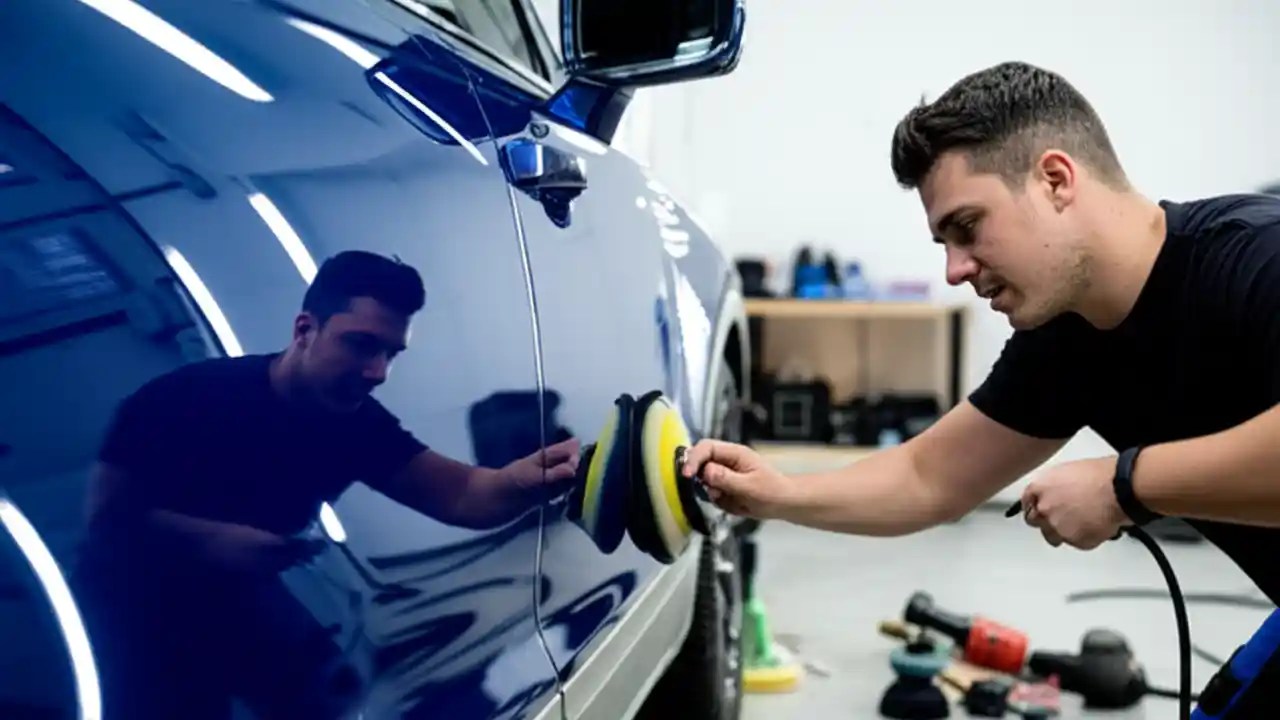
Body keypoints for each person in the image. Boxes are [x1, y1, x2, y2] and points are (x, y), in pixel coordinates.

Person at [682, 61, 1280, 605]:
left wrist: (1126, 485)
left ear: (1054, 180)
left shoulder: (1257, 257)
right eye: (945, 243)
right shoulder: (1065, 338)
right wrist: (782, 494)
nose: (955, 269)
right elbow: (928, 477)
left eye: (967, 227)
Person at [74, 249, 580, 718]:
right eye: (361, 344)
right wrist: (210, 541)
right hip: (133, 609)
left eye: (391, 353)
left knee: (331, 702)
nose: (377, 372)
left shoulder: (355, 423)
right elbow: (105, 523)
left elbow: (463, 496)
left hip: (242, 598)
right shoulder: (180, 400)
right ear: (304, 329)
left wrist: (519, 481)